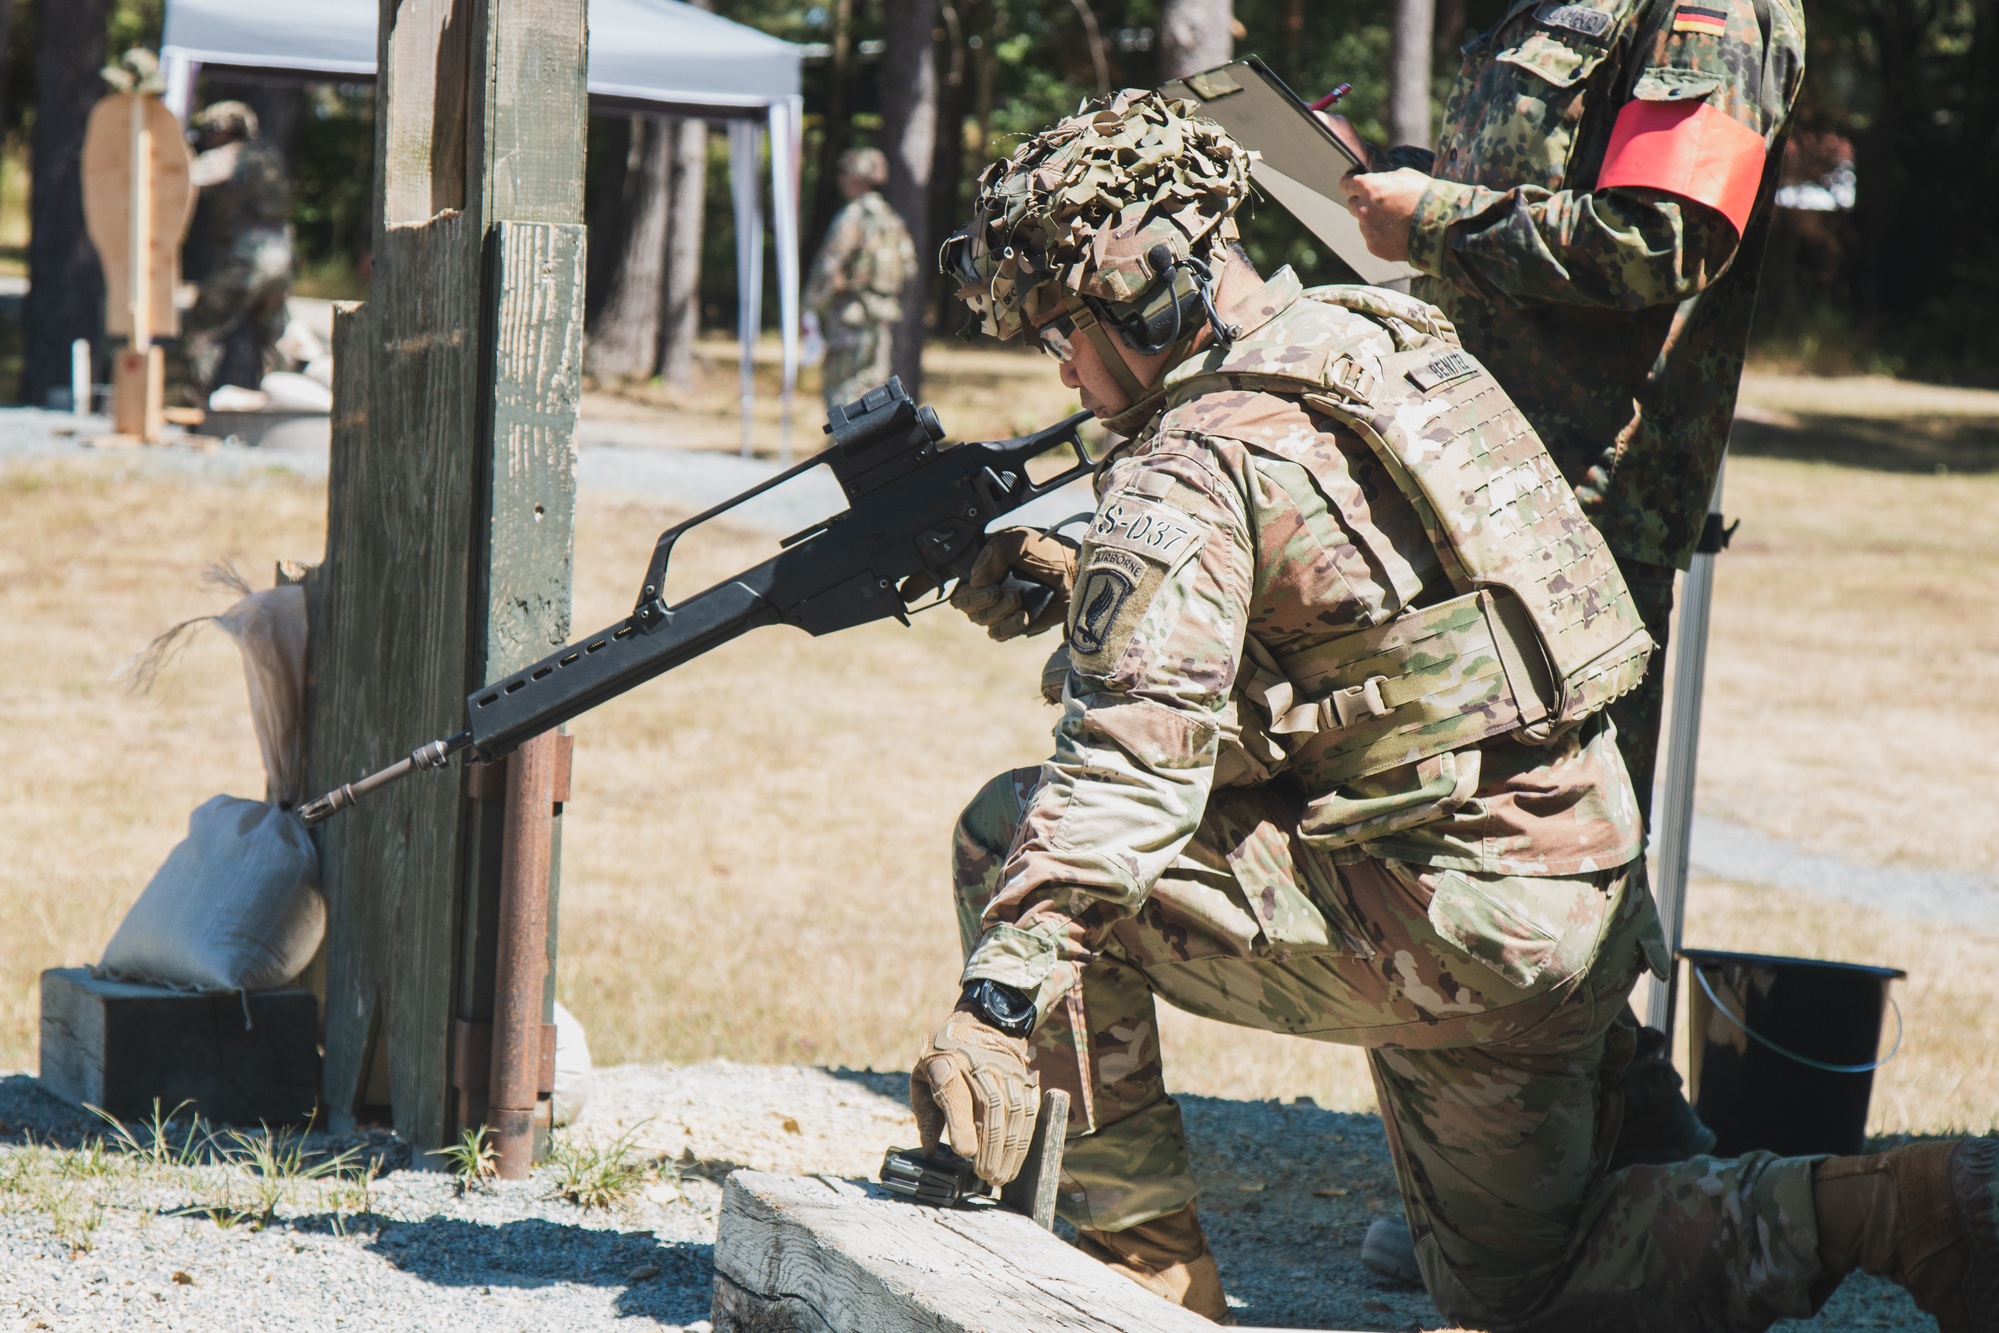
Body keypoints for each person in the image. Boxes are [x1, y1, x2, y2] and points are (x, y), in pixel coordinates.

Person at [913, 90, 1996, 1331]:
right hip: (1580, 884)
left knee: (1015, 833)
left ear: (1149, 294)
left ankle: (1142, 1276)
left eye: (1060, 333)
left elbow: (1122, 771)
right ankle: (1909, 1201)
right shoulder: (1379, 338)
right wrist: (1084, 587)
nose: (1062, 372)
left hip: (1451, 924)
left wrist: (997, 1008)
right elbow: (1384, 624)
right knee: (1543, 1262)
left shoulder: (1186, 460)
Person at [171, 101, 295, 407]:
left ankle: (186, 404)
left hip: (249, 256)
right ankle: (280, 405)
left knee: (201, 329)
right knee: (271, 339)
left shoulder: (228, 157)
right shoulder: (268, 156)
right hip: (282, 253)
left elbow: (180, 181)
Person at [804, 147, 916, 410]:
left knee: (842, 391)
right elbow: (909, 267)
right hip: (881, 319)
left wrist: (811, 306)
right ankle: (868, 450)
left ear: (855, 177)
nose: (841, 179)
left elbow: (828, 266)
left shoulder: (853, 216)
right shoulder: (891, 219)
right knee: (871, 391)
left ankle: (843, 449)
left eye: (844, 173)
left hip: (849, 318)